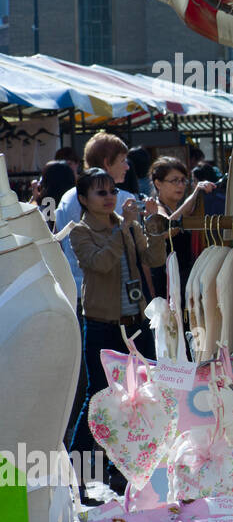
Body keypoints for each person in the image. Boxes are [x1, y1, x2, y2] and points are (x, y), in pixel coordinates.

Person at [67, 168, 166, 500]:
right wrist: (122, 229)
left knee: (138, 398)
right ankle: (78, 475)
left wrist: (151, 222)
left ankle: (122, 473)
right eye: (100, 192)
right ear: (83, 199)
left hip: (134, 323)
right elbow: (100, 264)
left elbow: (154, 257)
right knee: (98, 397)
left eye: (112, 190)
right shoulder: (80, 231)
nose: (110, 197)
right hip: (101, 322)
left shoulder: (123, 225)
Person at [53, 132, 136, 305]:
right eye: (122, 160)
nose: (127, 167)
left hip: (73, 288)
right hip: (113, 293)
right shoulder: (122, 199)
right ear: (107, 162)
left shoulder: (67, 197)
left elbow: (57, 242)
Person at [146, 156, 216, 298]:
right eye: (174, 180)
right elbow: (166, 228)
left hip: (182, 283)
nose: (180, 185)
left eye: (183, 180)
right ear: (158, 184)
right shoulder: (156, 209)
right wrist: (195, 193)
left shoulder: (177, 208)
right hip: (166, 287)